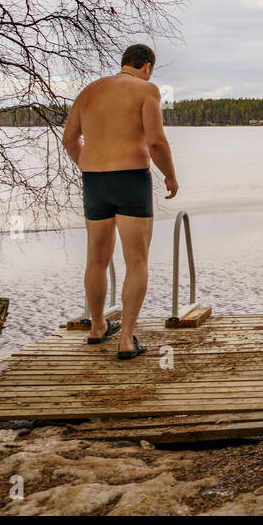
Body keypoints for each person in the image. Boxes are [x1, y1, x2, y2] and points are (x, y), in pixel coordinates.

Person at [61, 44, 178, 360]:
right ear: (148, 67)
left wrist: (86, 163)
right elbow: (155, 140)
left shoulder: (89, 92)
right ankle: (126, 339)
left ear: (124, 63)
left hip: (95, 180)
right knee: (136, 260)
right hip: (130, 179)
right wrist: (170, 175)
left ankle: (97, 327)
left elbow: (69, 140)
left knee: (96, 259)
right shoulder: (146, 89)